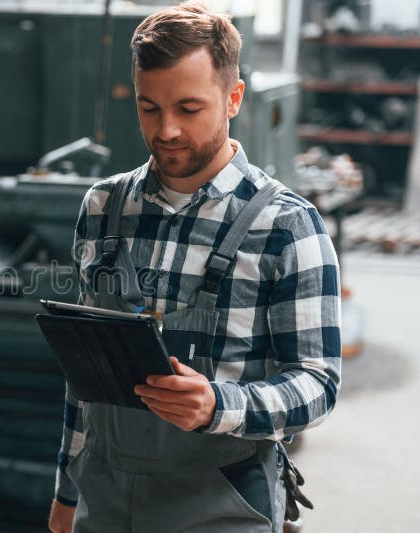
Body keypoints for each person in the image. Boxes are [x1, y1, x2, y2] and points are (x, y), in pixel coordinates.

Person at [47, 2, 342, 532]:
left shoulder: (287, 226)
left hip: (222, 503)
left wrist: (218, 406)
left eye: (188, 108)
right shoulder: (102, 209)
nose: (168, 130)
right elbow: (84, 378)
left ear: (233, 99)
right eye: (149, 108)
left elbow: (318, 385)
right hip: (105, 498)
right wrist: (67, 491)